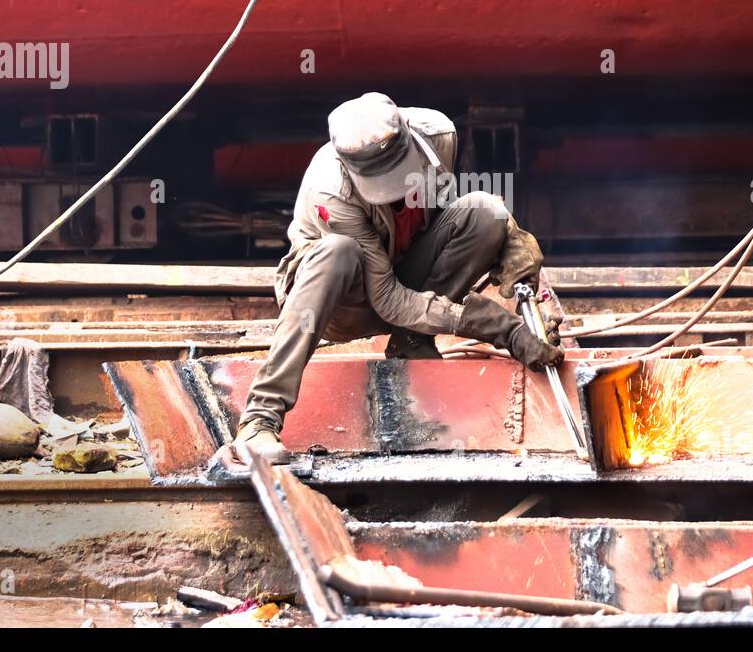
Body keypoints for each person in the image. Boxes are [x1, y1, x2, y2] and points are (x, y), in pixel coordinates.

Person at [217, 92, 561, 466]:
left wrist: (514, 247)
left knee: (487, 212)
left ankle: (412, 342)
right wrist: (499, 328)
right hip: (341, 301)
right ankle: (259, 420)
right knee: (338, 252)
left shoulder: (439, 136)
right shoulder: (331, 190)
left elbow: (448, 210)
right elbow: (388, 299)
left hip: (403, 272)